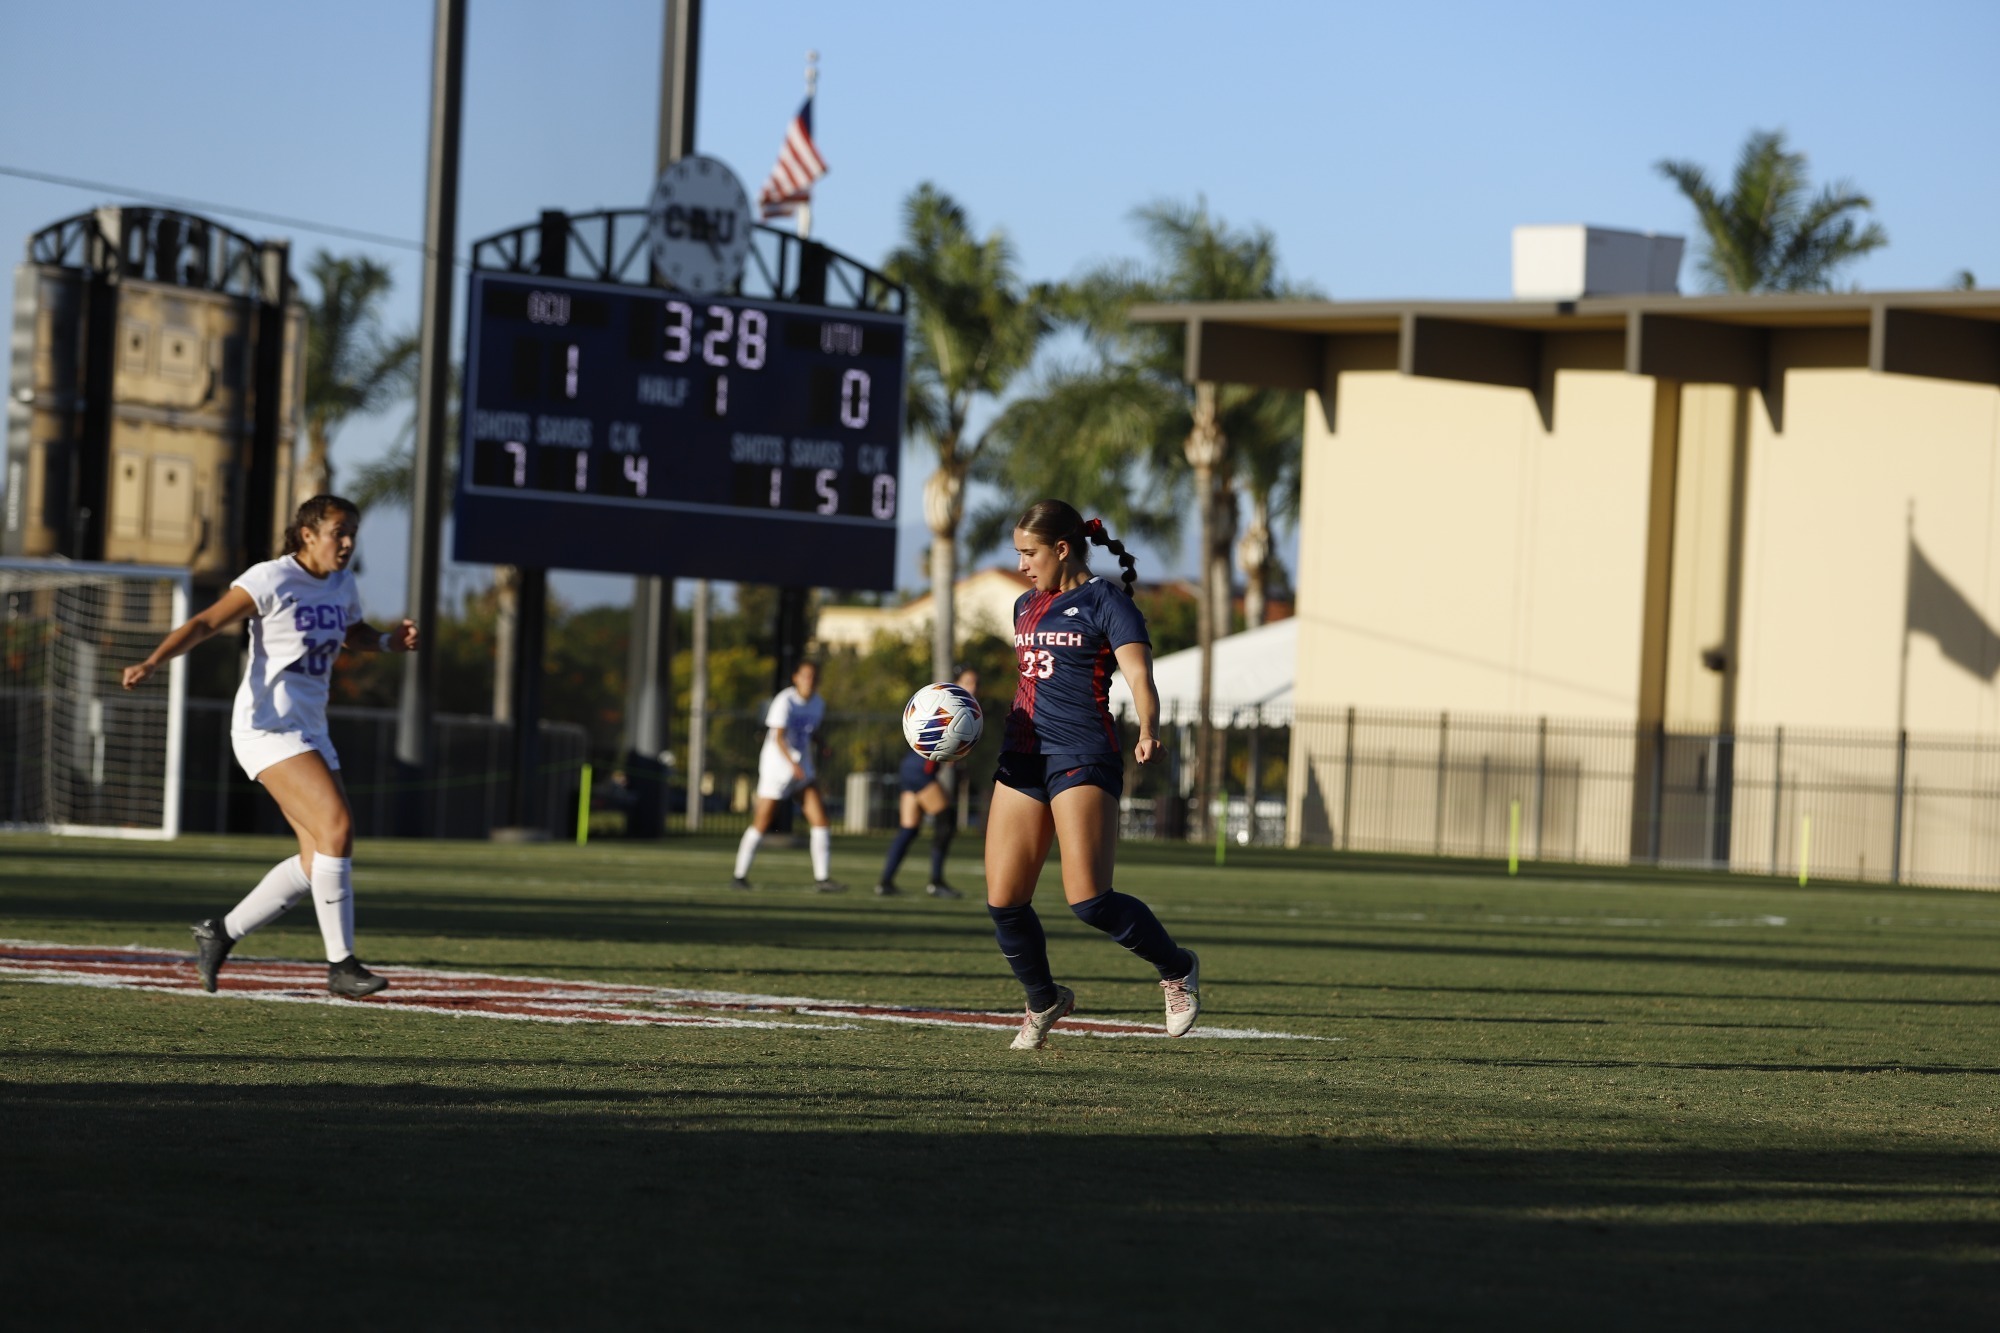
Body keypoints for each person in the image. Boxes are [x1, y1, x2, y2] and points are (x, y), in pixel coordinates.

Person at [120, 494, 418, 998]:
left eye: (352, 534)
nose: (346, 544)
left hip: (309, 729)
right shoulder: (271, 577)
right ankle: (341, 966)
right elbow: (207, 623)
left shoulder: (343, 583)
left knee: (316, 859)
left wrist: (389, 641)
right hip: (265, 727)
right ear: (307, 534)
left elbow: (353, 633)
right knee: (338, 828)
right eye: (337, 532)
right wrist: (153, 661)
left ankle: (220, 932)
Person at [986, 500, 1200, 1049]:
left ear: (1062, 548)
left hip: (1081, 752)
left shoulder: (1107, 602)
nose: (1022, 565)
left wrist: (1148, 730)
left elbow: (1139, 677)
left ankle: (1176, 969)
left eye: (1029, 553)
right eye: (1017, 554)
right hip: (1021, 756)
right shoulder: (1023, 607)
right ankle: (1043, 998)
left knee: (1089, 900)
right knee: (1005, 900)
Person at [733, 659, 843, 892]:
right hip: (777, 768)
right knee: (762, 822)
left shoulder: (818, 703)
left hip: (802, 768)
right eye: (805, 676)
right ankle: (739, 876)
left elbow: (809, 732)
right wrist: (791, 763)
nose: (809, 681)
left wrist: (821, 743)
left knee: (820, 821)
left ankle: (822, 879)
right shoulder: (785, 701)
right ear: (796, 678)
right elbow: (777, 736)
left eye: (813, 677)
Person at [876, 664, 980, 899]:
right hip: (918, 771)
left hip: (913, 770)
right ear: (956, 683)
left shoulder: (963, 709)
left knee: (909, 829)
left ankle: (885, 882)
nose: (973, 687)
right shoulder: (951, 703)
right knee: (946, 820)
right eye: (968, 682)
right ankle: (936, 882)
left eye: (975, 683)